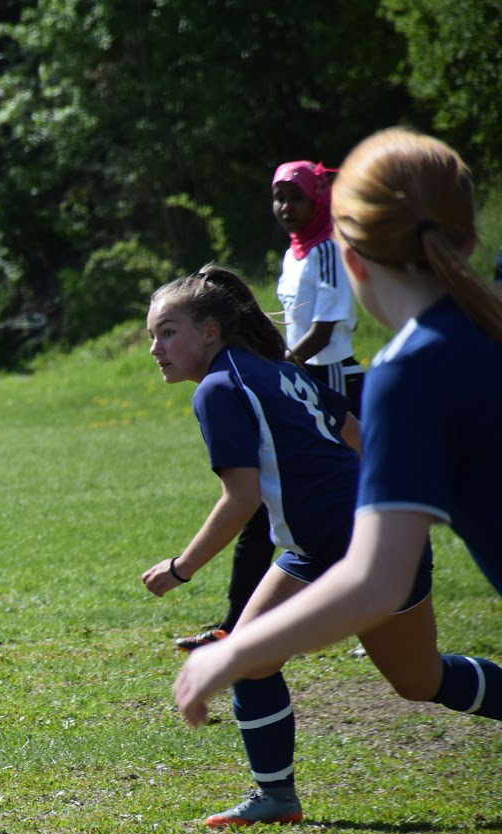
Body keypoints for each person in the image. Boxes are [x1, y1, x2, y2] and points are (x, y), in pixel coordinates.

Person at [140, 263, 500, 827]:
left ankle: (276, 796)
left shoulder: (219, 387)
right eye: (151, 336)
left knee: (413, 679)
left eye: (168, 332)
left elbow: (242, 497)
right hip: (335, 543)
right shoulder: (276, 370)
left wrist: (181, 569)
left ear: (210, 331)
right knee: (277, 663)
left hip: (349, 546)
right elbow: (359, 436)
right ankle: (276, 797)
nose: (156, 348)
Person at [175, 129, 502, 727]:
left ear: (350, 259)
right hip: (313, 537)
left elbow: (377, 579)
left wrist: (238, 651)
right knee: (417, 679)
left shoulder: (408, 375)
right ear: (471, 238)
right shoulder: (477, 339)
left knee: (416, 677)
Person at [173, 161, 360, 655]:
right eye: (277, 197)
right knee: (421, 678)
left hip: (324, 372)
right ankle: (239, 622)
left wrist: (280, 368)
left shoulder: (326, 253)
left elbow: (325, 327)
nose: (284, 207)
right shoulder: (292, 256)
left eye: (294, 197)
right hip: (288, 374)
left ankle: (366, 592)